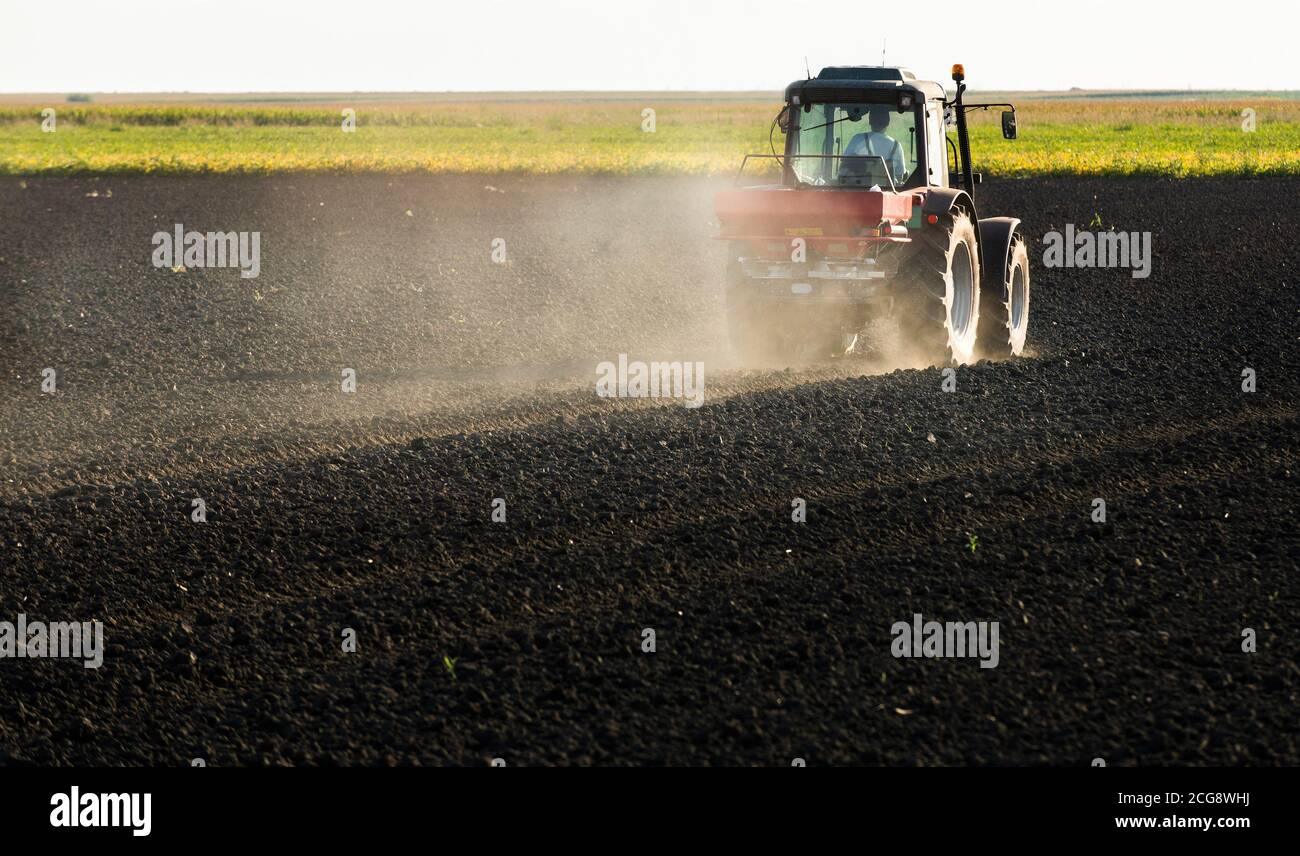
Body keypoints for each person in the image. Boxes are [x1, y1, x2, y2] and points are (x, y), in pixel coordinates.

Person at [843, 104, 906, 185]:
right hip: (886, 192)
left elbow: (844, 167)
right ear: (888, 123)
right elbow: (900, 175)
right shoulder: (896, 145)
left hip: (858, 189)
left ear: (870, 121)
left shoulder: (857, 139)